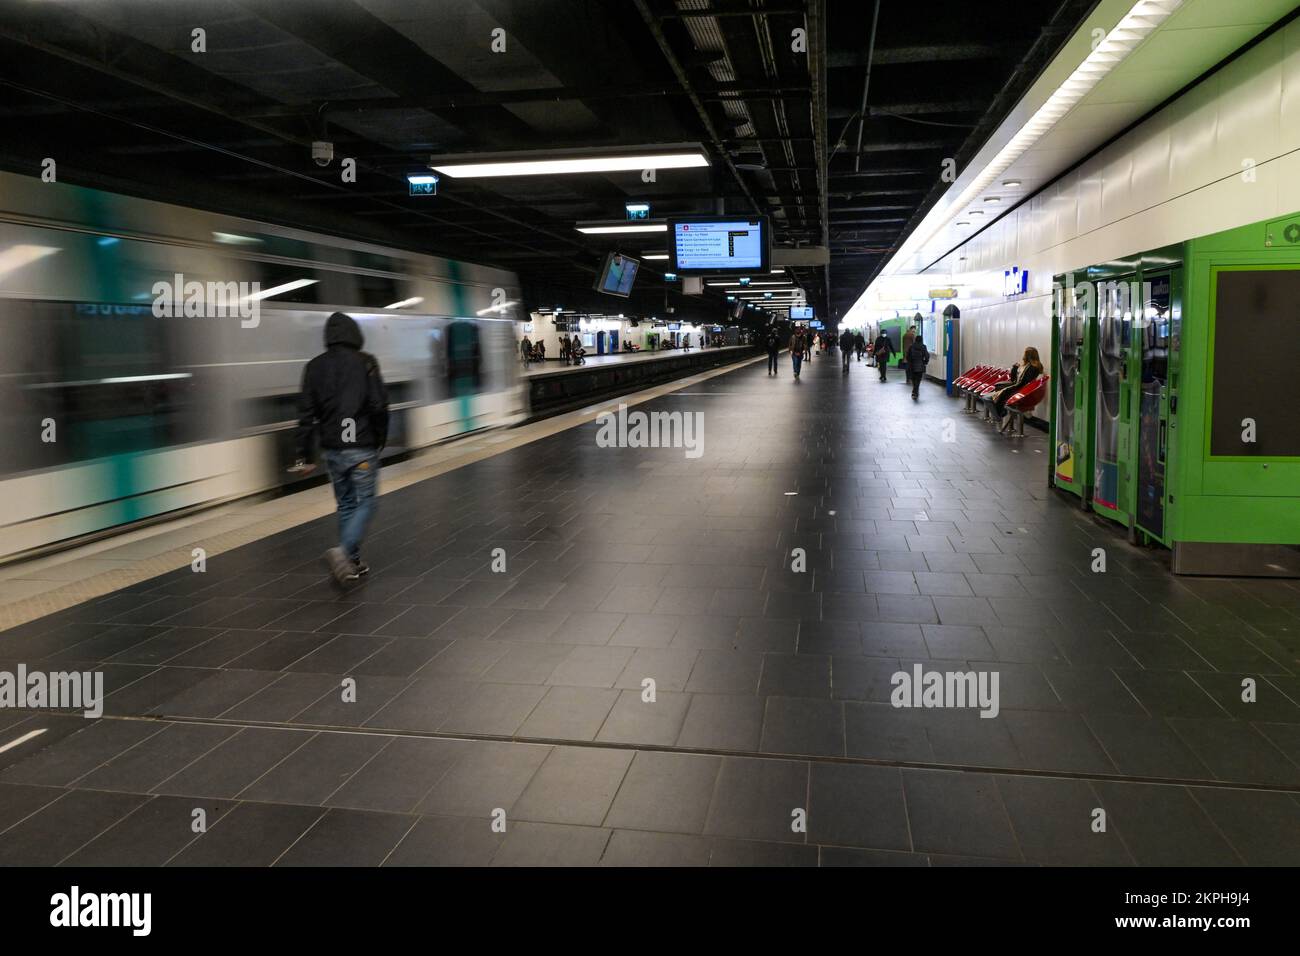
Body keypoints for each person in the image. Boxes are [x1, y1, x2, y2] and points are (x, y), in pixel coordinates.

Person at [294, 312, 389, 585]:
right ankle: (344, 551)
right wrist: (380, 437)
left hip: (333, 448)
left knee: (346, 502)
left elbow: (305, 414)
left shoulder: (314, 366)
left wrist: (303, 455)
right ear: (355, 334)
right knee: (367, 501)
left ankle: (353, 562)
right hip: (361, 446)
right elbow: (378, 405)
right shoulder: (366, 362)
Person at [990, 346, 1045, 430]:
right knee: (1000, 388)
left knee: (1003, 394)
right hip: (1022, 388)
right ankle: (999, 414)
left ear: (1027, 356)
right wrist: (1015, 369)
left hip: (1023, 391)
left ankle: (1000, 415)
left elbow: (1024, 382)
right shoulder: (1030, 366)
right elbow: (1014, 380)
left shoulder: (1032, 368)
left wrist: (1017, 370)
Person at [906, 333, 930, 399]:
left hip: (912, 365)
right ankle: (915, 391)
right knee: (918, 379)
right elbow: (927, 356)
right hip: (920, 365)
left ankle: (914, 391)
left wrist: (909, 362)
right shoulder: (923, 346)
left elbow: (907, 356)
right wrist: (925, 362)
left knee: (913, 379)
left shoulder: (911, 346)